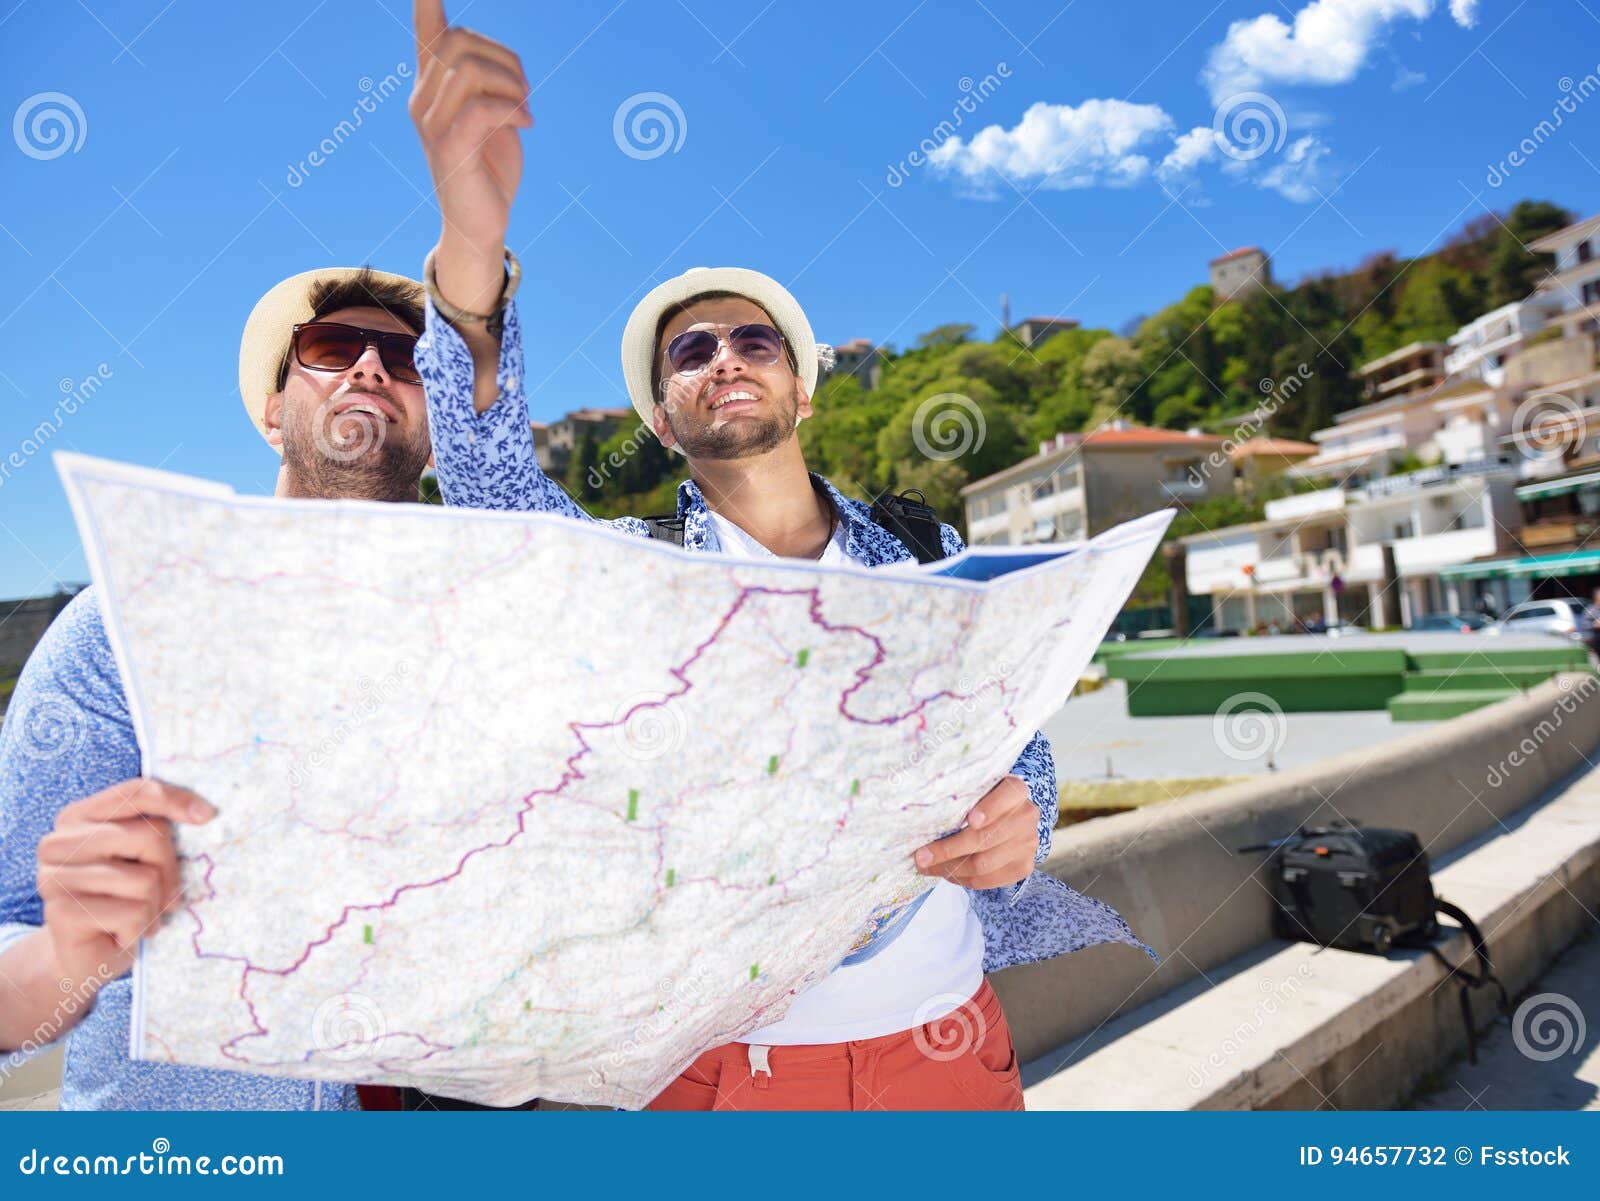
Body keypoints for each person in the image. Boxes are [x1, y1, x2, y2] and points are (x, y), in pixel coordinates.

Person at [407, 0, 1156, 1110]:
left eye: (754, 340)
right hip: (725, 1075)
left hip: (947, 1050)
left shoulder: (922, 548)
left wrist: (1025, 814)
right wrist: (471, 242)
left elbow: (1017, 743)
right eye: (690, 351)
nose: (724, 358)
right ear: (662, 417)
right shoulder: (629, 573)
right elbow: (486, 479)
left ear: (801, 387)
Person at [0, 266, 432, 1108]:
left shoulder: (495, 639)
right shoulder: (122, 627)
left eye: (407, 361)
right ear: (275, 414)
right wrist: (62, 959)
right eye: (333, 348)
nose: (372, 368)